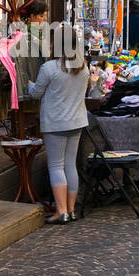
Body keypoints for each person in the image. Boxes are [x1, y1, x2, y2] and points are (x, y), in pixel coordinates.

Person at [26, 23, 90, 223]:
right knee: (70, 165)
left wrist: (29, 86)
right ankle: (70, 209)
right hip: (77, 121)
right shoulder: (83, 67)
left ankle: (60, 211)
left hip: (56, 123)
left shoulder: (50, 68)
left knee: (56, 166)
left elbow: (36, 93)